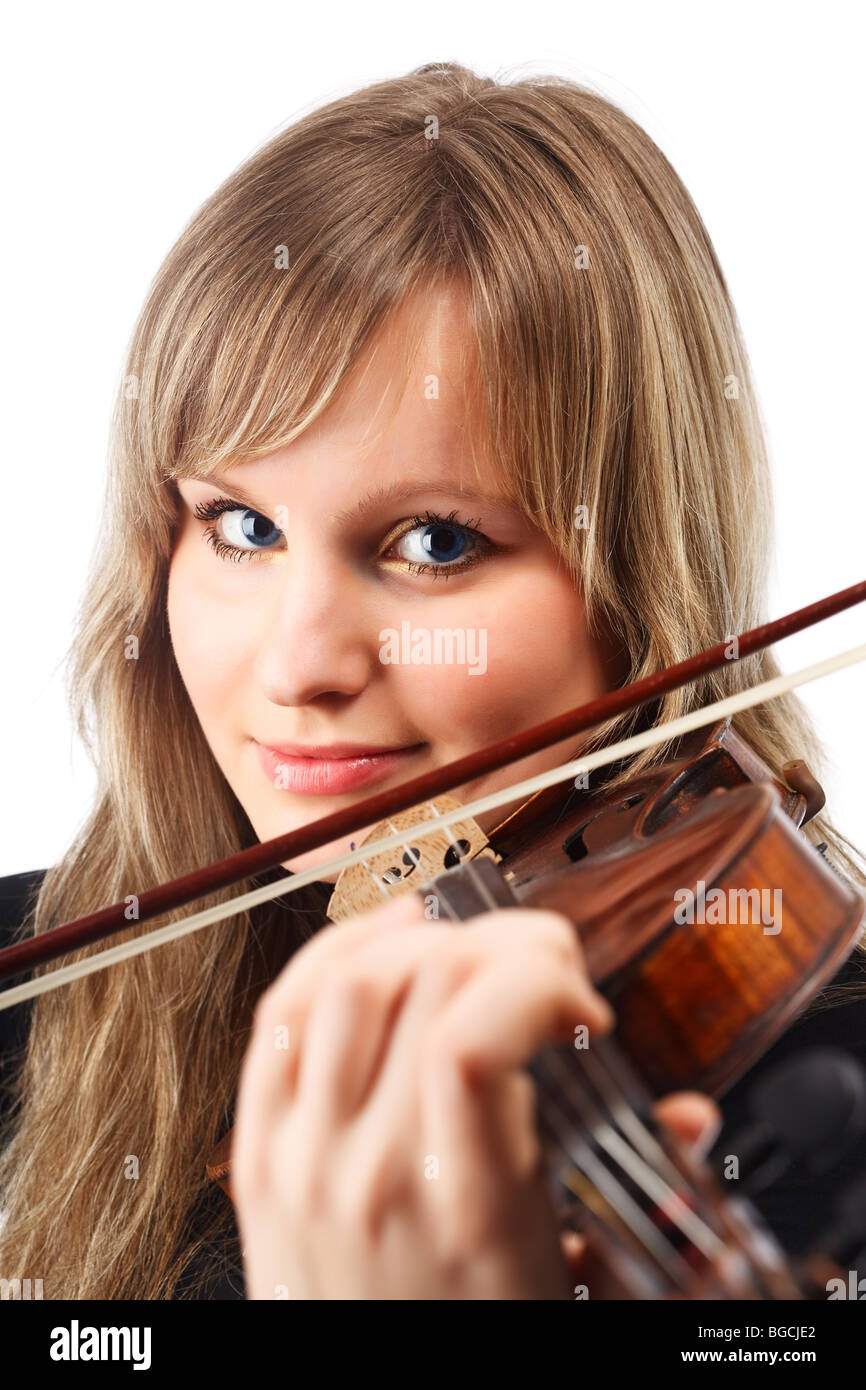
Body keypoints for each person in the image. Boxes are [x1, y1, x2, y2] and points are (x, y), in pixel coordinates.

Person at [0, 60, 863, 1301]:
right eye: (241, 528)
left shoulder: (826, 1078)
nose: (299, 665)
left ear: (637, 577)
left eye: (435, 543)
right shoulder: (37, 977)